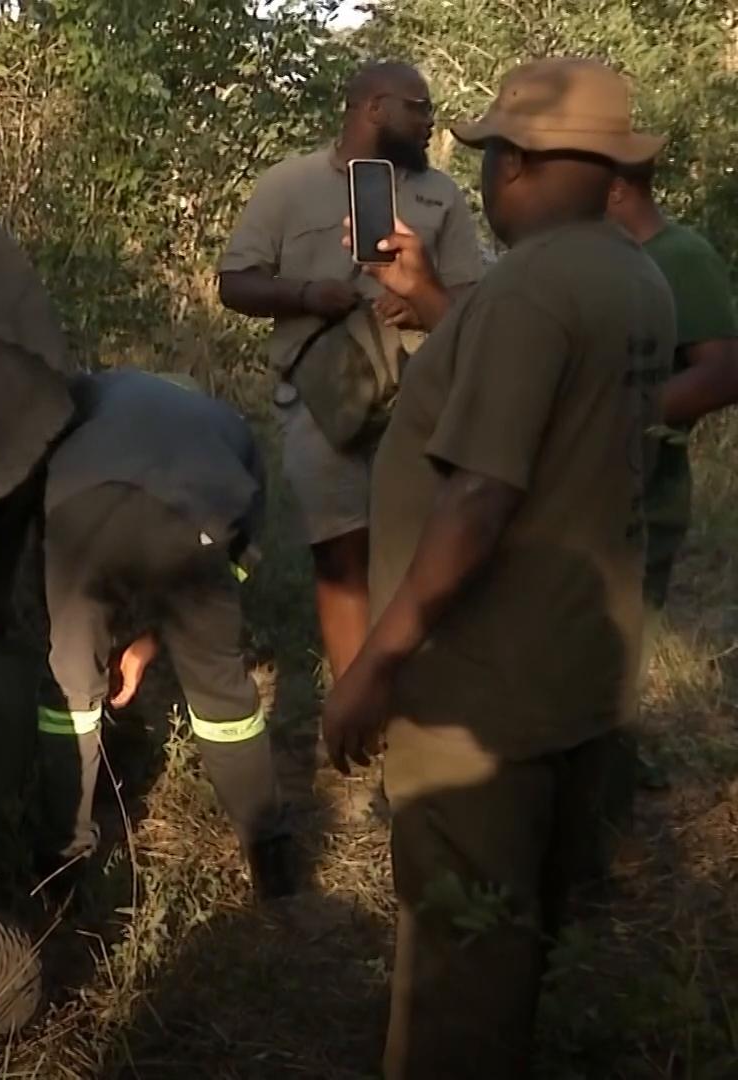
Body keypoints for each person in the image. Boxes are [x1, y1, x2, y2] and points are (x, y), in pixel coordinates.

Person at [320, 58, 675, 1078]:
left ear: (513, 163)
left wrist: (376, 663)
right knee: (520, 944)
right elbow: (550, 399)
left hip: (481, 698)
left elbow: (479, 498)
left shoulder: (528, 288)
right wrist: (436, 302)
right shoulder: (636, 280)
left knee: (459, 981)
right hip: (578, 678)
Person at [217, 61, 486, 693]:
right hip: (320, 396)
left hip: (419, 391)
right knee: (340, 554)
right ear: (372, 108)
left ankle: (418, 692)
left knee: (420, 544)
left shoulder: (441, 194)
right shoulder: (288, 185)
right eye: (418, 108)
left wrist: (421, 297)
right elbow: (235, 283)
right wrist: (306, 294)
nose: (429, 122)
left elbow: (471, 298)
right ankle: (356, 699)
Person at [30, 367, 293, 901]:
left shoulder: (97, 388)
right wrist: (159, 635)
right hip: (194, 520)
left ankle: (61, 868)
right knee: (223, 700)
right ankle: (273, 863)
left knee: (69, 695)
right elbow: (238, 558)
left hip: (80, 514)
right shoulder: (229, 425)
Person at [605, 162, 738, 613]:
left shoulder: (683, 257)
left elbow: (723, 374)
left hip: (646, 503)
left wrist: (613, 414)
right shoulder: (610, 256)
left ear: (617, 189)